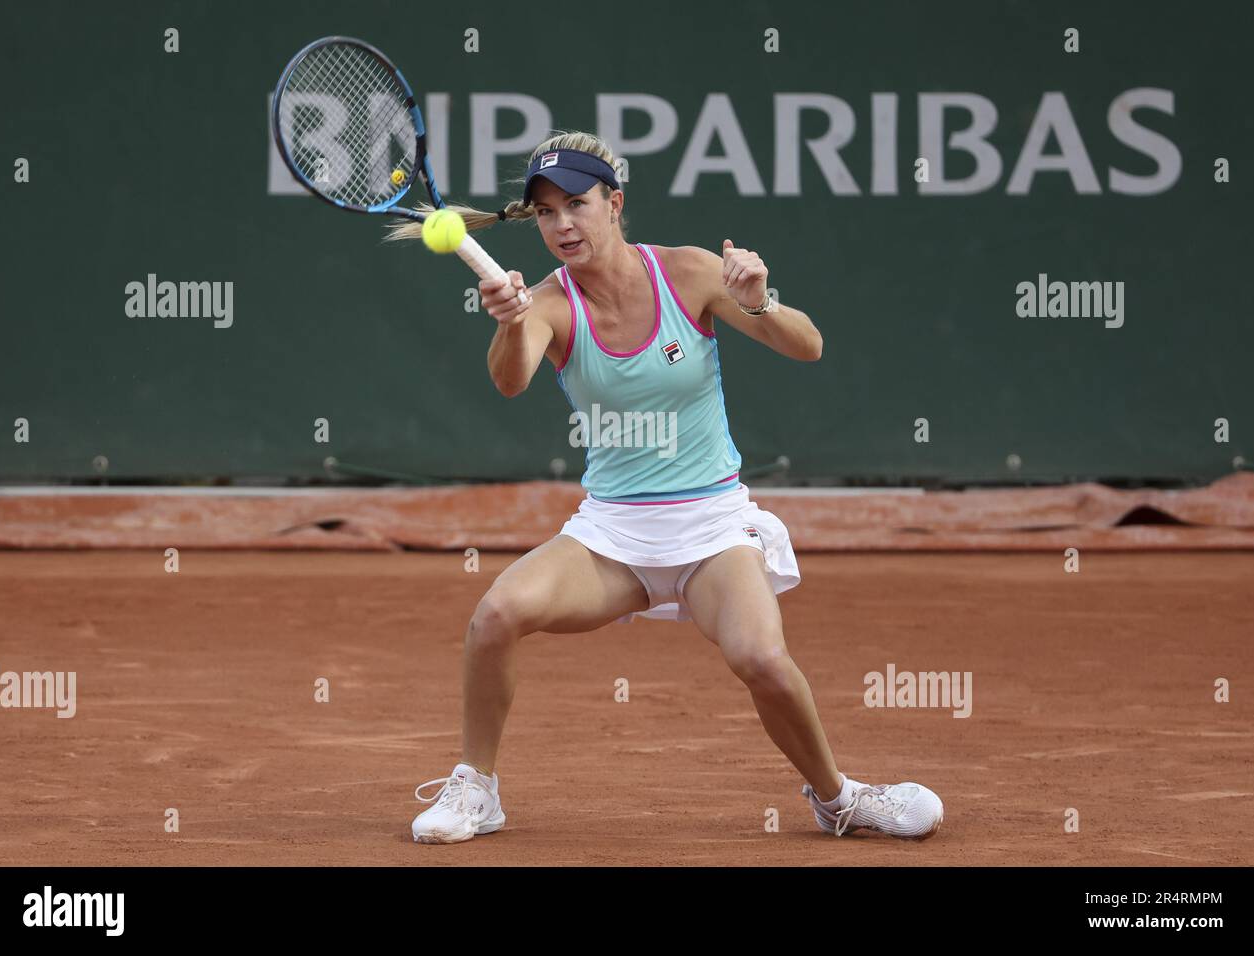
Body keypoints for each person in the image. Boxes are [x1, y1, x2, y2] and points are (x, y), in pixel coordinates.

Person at [390, 131, 943, 845]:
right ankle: (477, 790)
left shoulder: (689, 273)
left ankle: (839, 799)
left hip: (712, 524)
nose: (563, 224)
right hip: (613, 536)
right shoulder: (551, 305)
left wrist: (762, 300)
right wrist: (511, 321)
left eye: (577, 205)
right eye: (548, 212)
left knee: (761, 660)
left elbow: (808, 346)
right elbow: (509, 380)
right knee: (496, 616)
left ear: (614, 204)